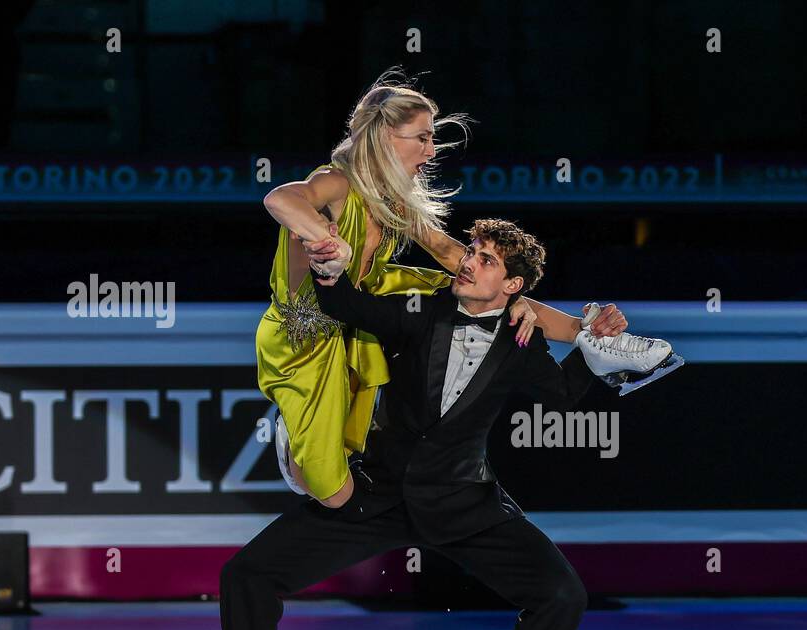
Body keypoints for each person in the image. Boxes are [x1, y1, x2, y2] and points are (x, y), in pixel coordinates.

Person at [178, 218, 612, 630]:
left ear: (513, 287)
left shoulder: (520, 339)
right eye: (471, 251)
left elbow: (562, 391)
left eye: (484, 260)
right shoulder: (422, 308)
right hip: (378, 494)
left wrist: (594, 341)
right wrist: (328, 266)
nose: (467, 262)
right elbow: (349, 307)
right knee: (247, 576)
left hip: (465, 502)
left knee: (561, 595)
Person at [260, 68, 681, 509]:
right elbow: (279, 200)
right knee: (329, 494)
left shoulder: (391, 198)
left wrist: (508, 298)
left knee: (476, 285)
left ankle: (589, 333)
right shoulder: (337, 182)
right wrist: (330, 243)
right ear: (384, 136)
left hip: (362, 304)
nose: (431, 150)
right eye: (421, 138)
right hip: (306, 332)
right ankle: (294, 444)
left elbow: (446, 251)